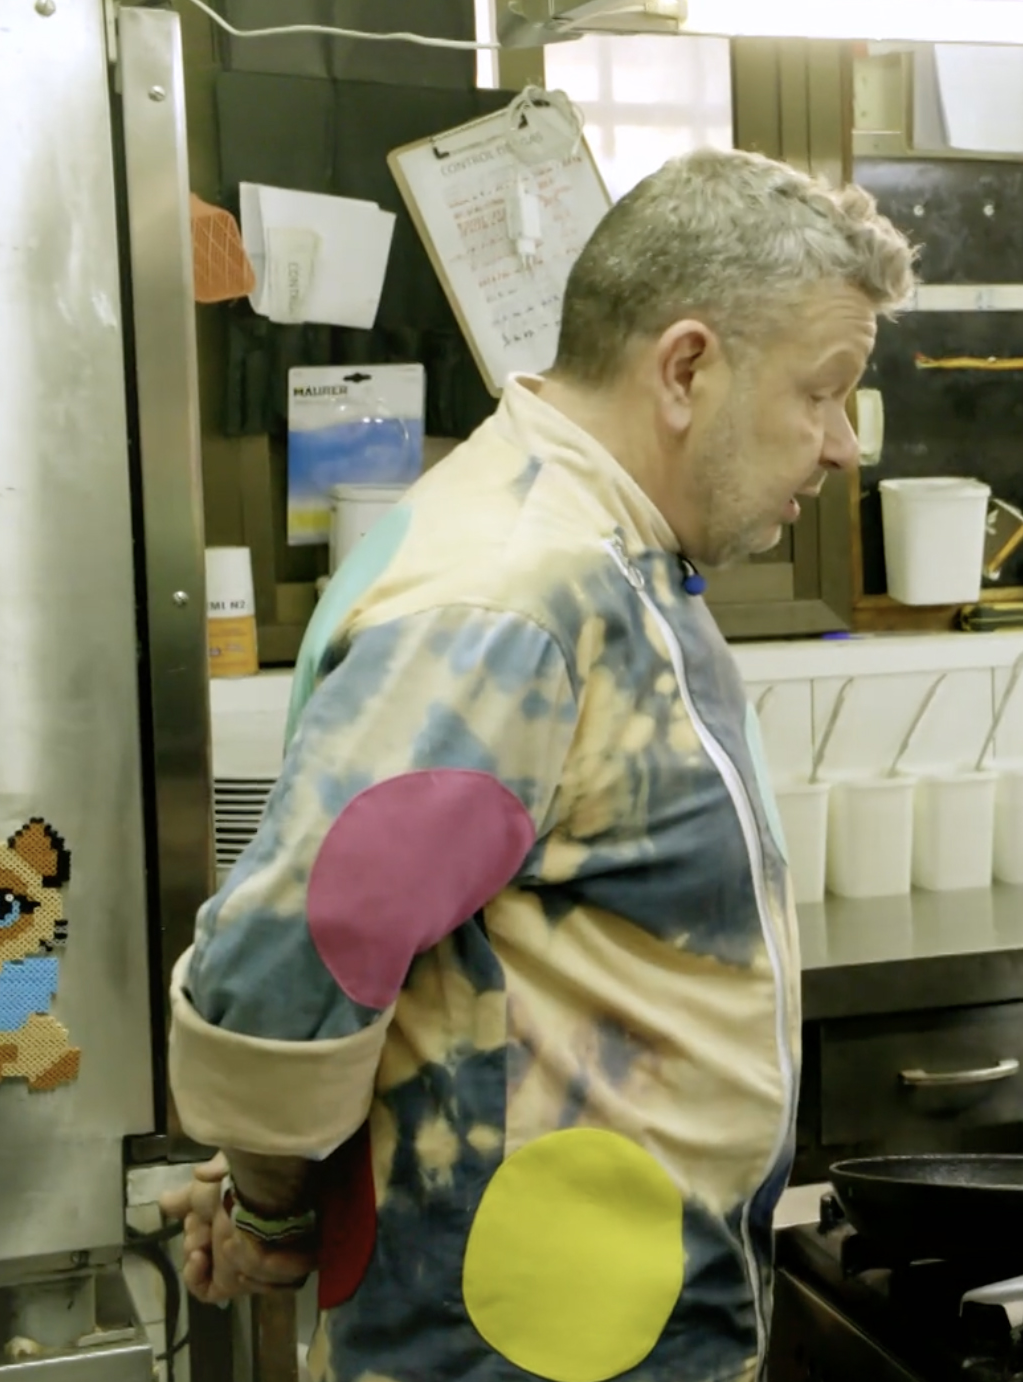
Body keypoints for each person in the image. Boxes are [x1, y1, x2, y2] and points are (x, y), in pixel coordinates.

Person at [158, 149, 913, 1382]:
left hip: (610, 1317)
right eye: (820, 394)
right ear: (684, 368)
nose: (840, 448)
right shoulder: (515, 590)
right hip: (524, 1349)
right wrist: (269, 1199)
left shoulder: (605, 546)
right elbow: (294, 945)